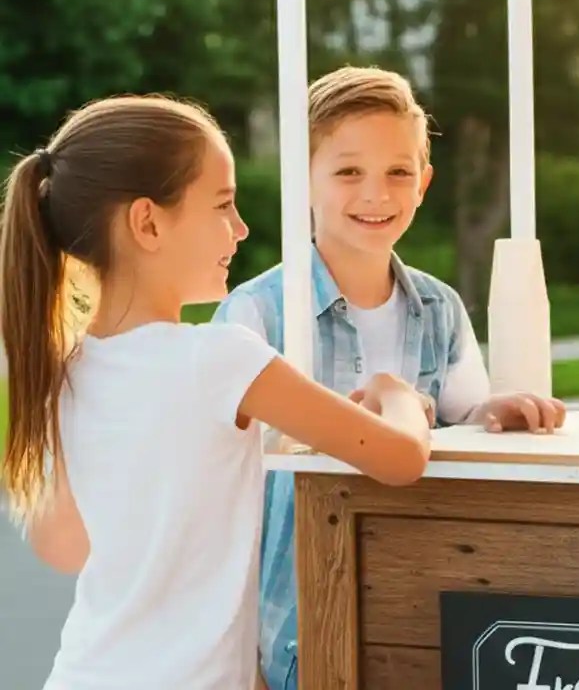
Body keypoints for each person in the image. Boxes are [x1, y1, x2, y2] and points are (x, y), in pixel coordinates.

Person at [0, 96, 433, 689]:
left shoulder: (69, 368)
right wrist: (396, 393)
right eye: (223, 206)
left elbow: (64, 546)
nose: (241, 228)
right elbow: (400, 457)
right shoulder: (222, 358)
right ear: (148, 223)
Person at [213, 65, 567, 689]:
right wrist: (238, 660)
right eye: (349, 172)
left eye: (398, 172)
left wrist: (499, 412)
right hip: (288, 631)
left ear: (424, 182)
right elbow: (216, 502)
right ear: (303, 182)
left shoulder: (441, 310)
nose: (376, 194)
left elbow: (466, 417)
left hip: (412, 612)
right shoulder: (256, 315)